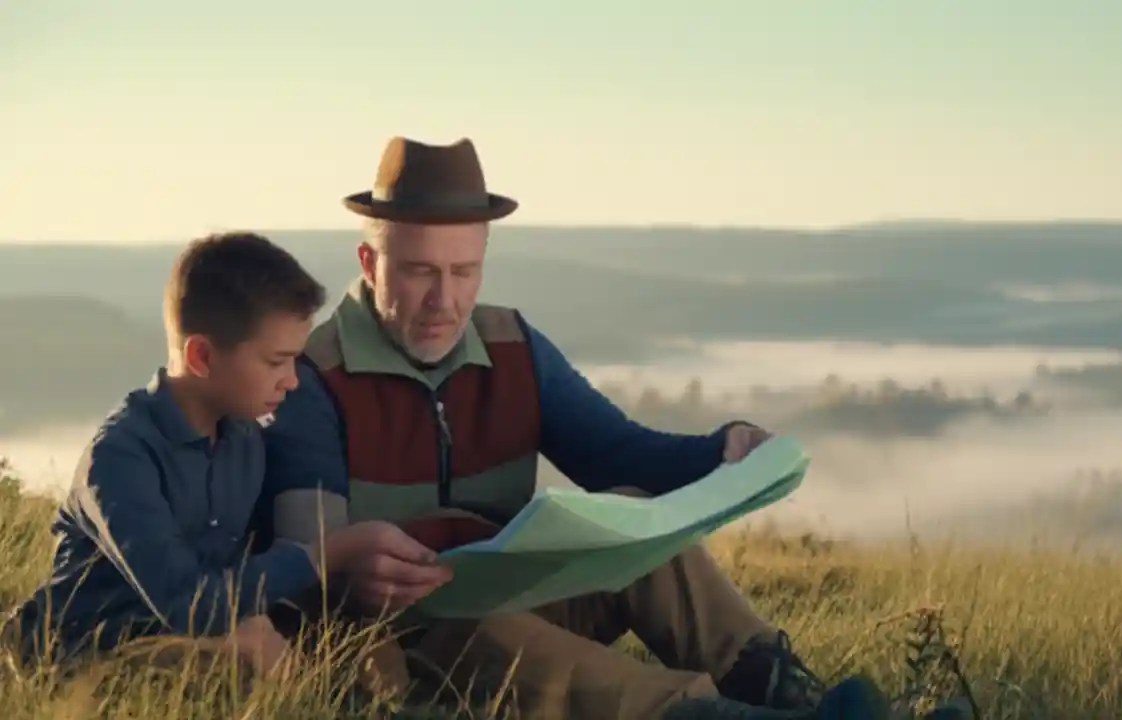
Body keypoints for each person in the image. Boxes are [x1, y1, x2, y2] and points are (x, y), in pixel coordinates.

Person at [257, 136, 903, 719]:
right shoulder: (312, 378)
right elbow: (301, 568)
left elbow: (617, 452)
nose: (445, 301)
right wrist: (349, 574)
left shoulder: (512, 346)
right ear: (370, 262)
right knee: (486, 630)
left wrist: (722, 450)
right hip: (398, 645)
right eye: (421, 271)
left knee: (633, 513)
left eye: (464, 272)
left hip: (513, 596)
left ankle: (787, 691)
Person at [4, 232, 442, 693]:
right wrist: (331, 553)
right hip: (90, 652)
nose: (292, 381)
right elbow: (186, 604)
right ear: (201, 356)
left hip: (200, 635)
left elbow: (240, 576)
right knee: (230, 670)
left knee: (371, 661)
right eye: (277, 362)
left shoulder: (244, 438)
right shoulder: (120, 458)